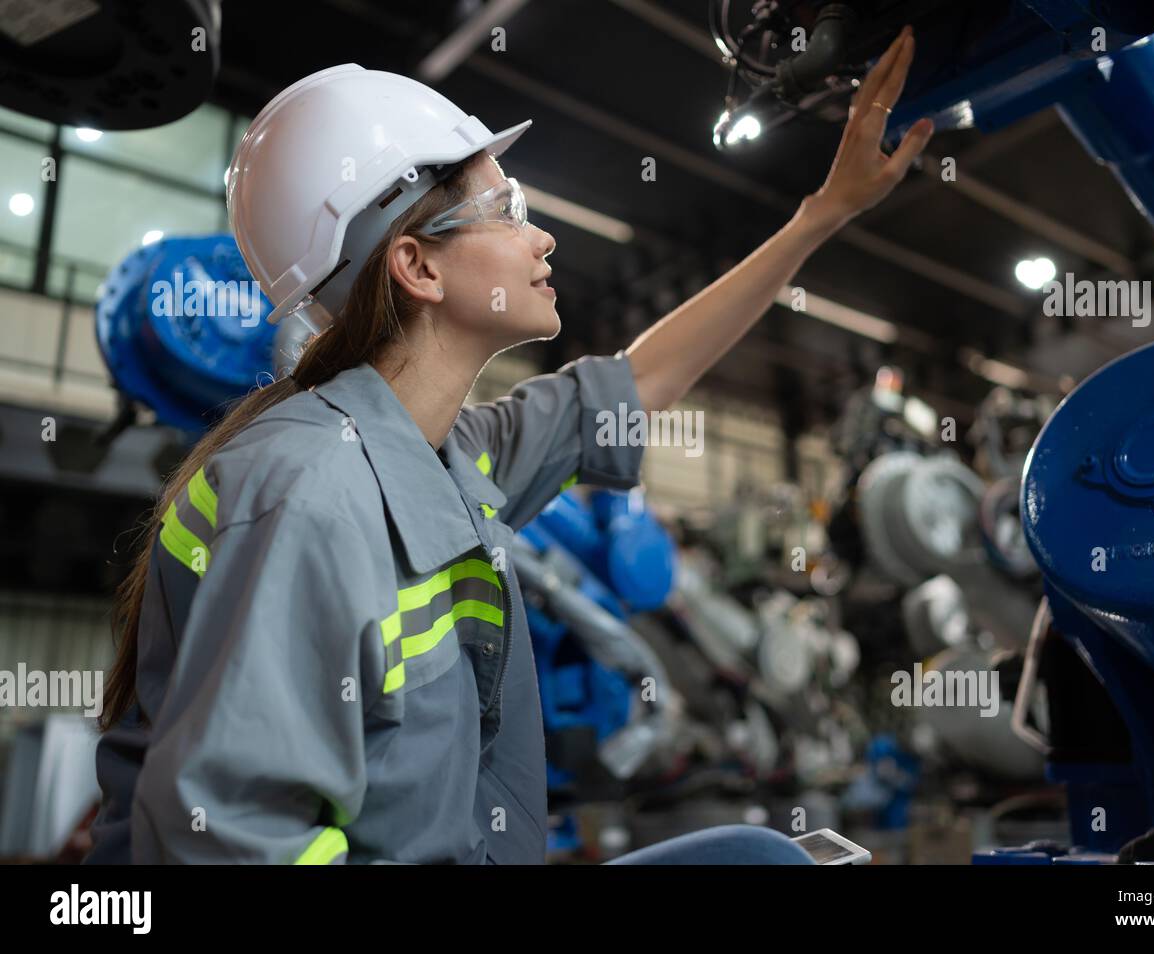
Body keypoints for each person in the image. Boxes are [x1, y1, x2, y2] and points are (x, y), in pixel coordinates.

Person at [85, 26, 929, 864]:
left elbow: (638, 384)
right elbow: (231, 840)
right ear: (417, 268)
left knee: (762, 860)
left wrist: (826, 211)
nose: (543, 237)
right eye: (508, 212)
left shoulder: (446, 459)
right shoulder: (309, 490)